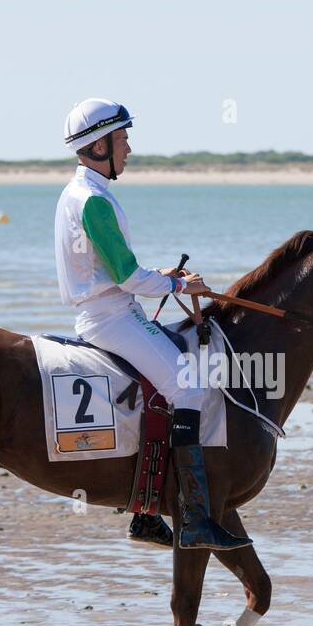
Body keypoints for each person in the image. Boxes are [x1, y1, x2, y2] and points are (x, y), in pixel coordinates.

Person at [54, 98, 251, 551]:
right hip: (112, 317)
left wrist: (164, 277)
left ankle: (146, 513)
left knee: (168, 389)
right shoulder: (93, 200)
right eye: (122, 139)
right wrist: (180, 287)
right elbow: (126, 277)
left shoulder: (81, 192)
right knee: (192, 389)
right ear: (99, 144)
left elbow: (116, 270)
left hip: (111, 310)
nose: (129, 148)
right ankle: (196, 519)